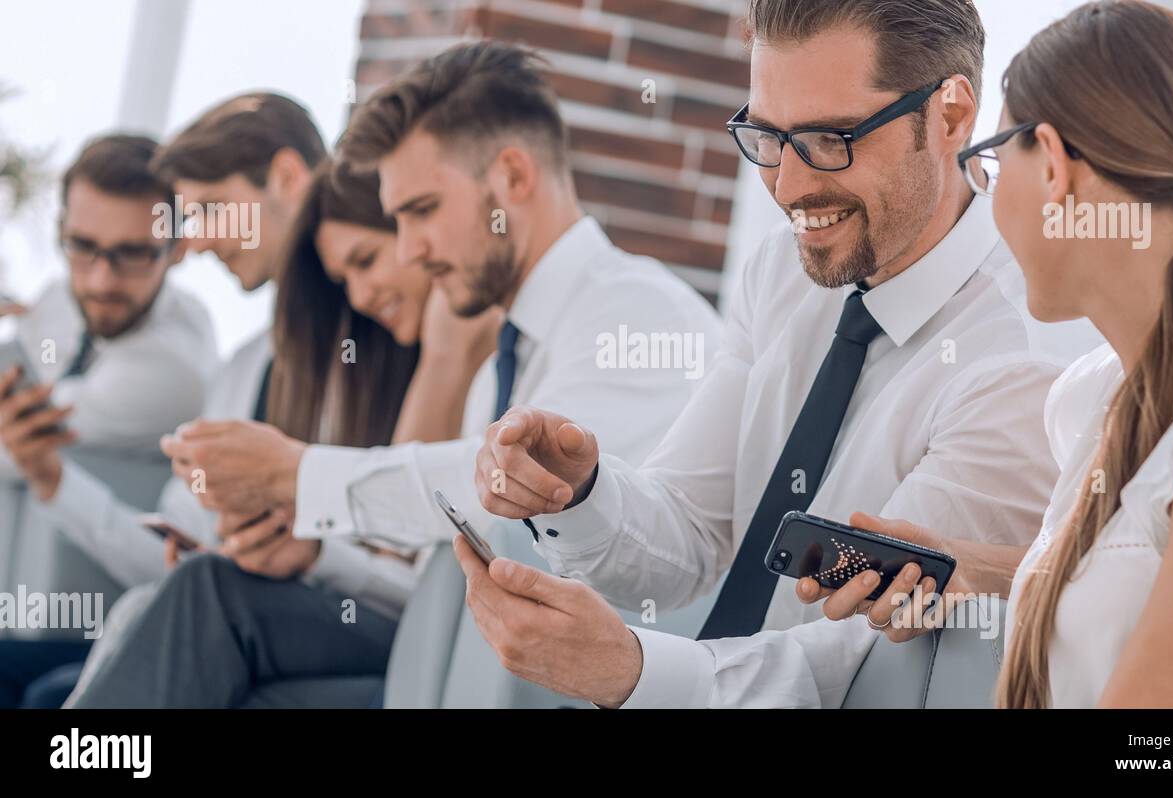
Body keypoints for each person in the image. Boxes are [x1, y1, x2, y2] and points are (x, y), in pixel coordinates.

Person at [453, 0, 1100, 709]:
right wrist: (581, 493)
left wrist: (630, 672)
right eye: (768, 135)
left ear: (949, 116)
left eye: (830, 138)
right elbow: (691, 534)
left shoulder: (1020, 358)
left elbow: (865, 669)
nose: (789, 187)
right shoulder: (783, 272)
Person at [74, 40, 722, 708]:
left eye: (420, 212)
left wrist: (296, 475)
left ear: (513, 180)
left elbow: (519, 496)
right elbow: (446, 569)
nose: (410, 249)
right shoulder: (508, 360)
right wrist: (315, 554)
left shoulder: (636, 317)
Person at [803, 0, 1173, 709]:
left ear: (1056, 167)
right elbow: (1141, 582)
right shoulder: (1098, 398)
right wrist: (976, 570)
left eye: (996, 166)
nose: (993, 204)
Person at [69, 155, 499, 708]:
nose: (362, 297)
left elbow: (417, 585)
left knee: (210, 597)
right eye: (346, 280)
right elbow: (389, 560)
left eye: (366, 262)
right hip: (370, 618)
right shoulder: (405, 360)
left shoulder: (468, 359)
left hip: (425, 636)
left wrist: (315, 554)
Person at [0, 133, 217, 708]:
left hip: (114, 623)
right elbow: (42, 324)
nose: (100, 281)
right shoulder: (68, 299)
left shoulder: (173, 369)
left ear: (175, 248)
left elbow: (11, 445)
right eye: (82, 247)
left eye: (132, 253)